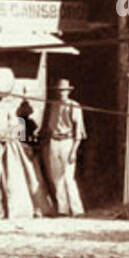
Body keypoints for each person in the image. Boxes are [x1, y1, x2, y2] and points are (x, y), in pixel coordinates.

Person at [40, 78, 85, 216]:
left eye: (64, 90)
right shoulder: (54, 105)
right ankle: (62, 209)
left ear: (68, 91)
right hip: (54, 141)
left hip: (67, 141)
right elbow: (49, 126)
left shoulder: (74, 106)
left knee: (68, 178)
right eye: (59, 91)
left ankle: (77, 210)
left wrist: (74, 150)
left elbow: (79, 130)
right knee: (56, 177)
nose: (61, 93)